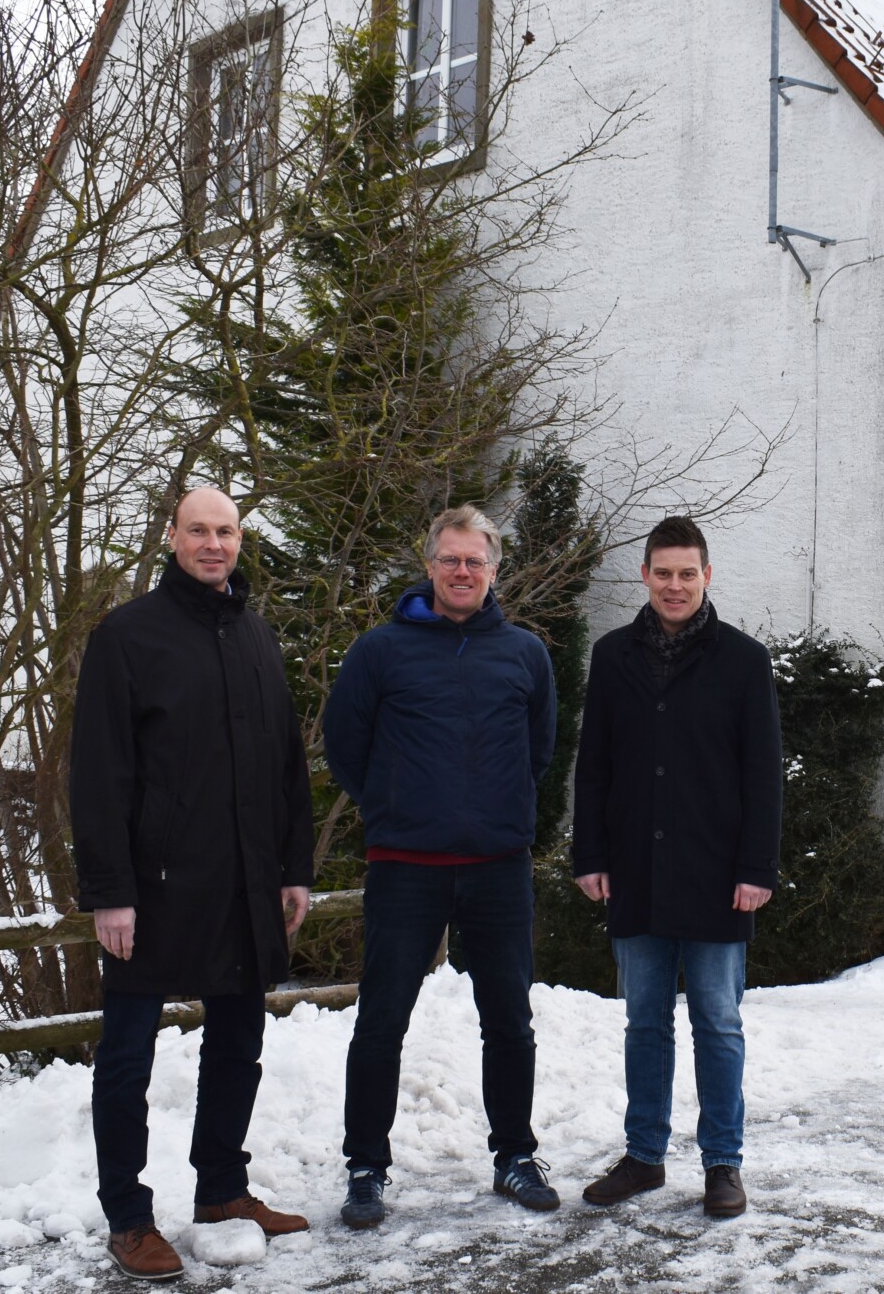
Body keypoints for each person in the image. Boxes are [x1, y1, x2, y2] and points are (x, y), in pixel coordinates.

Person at [70, 487, 316, 1282]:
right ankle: (129, 1217)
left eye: (227, 531)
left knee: (239, 1043)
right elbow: (101, 773)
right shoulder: (127, 636)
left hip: (245, 884)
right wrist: (110, 889)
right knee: (128, 1057)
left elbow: (285, 764)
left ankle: (221, 1188)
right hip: (153, 889)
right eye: (199, 530)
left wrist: (294, 868)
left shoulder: (254, 635)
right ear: (172, 537)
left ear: (240, 540)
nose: (214, 543)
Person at [325, 504, 559, 1228]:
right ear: (429, 566)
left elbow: (541, 749)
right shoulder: (380, 651)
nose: (464, 571)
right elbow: (345, 742)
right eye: (451, 559)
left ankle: (515, 1154)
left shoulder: (525, 654)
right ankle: (366, 1165)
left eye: (476, 561)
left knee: (510, 1022)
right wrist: (393, 805)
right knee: (381, 1020)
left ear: (494, 571)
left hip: (497, 866)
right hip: (406, 865)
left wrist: (501, 812)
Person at [571, 515, 782, 1220]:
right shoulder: (612, 655)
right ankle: (644, 1156)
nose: (674, 584)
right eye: (663, 572)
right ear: (645, 576)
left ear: (707, 576)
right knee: (644, 1022)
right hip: (634, 869)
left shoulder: (744, 660)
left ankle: (723, 1162)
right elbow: (593, 765)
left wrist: (758, 866)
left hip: (720, 873)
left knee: (718, 1022)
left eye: (687, 573)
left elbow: (763, 777)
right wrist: (590, 853)